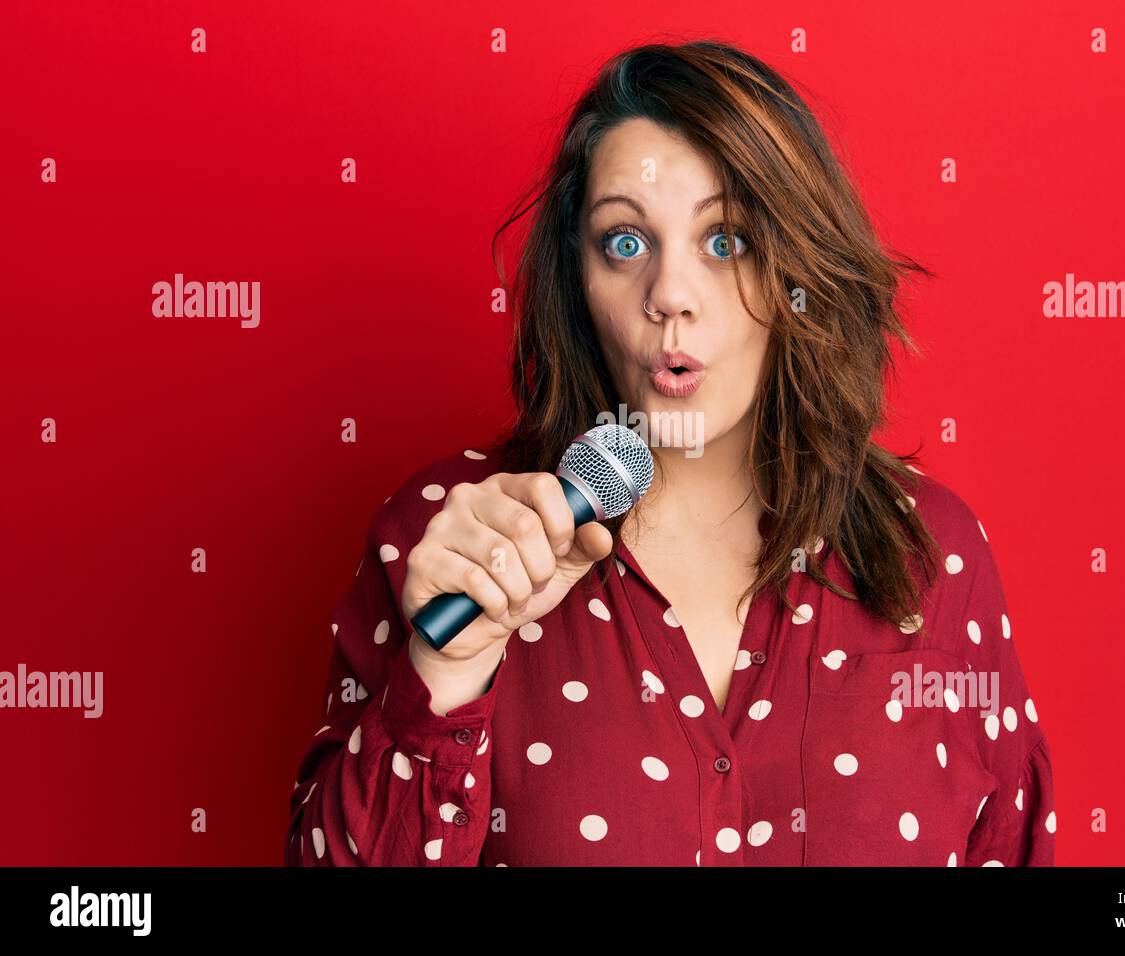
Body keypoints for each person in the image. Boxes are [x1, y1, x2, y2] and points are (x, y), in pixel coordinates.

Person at [285, 39, 1054, 867]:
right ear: (575, 280)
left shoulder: (933, 554)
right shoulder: (450, 539)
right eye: (624, 243)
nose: (669, 297)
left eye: (726, 241)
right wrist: (444, 671)